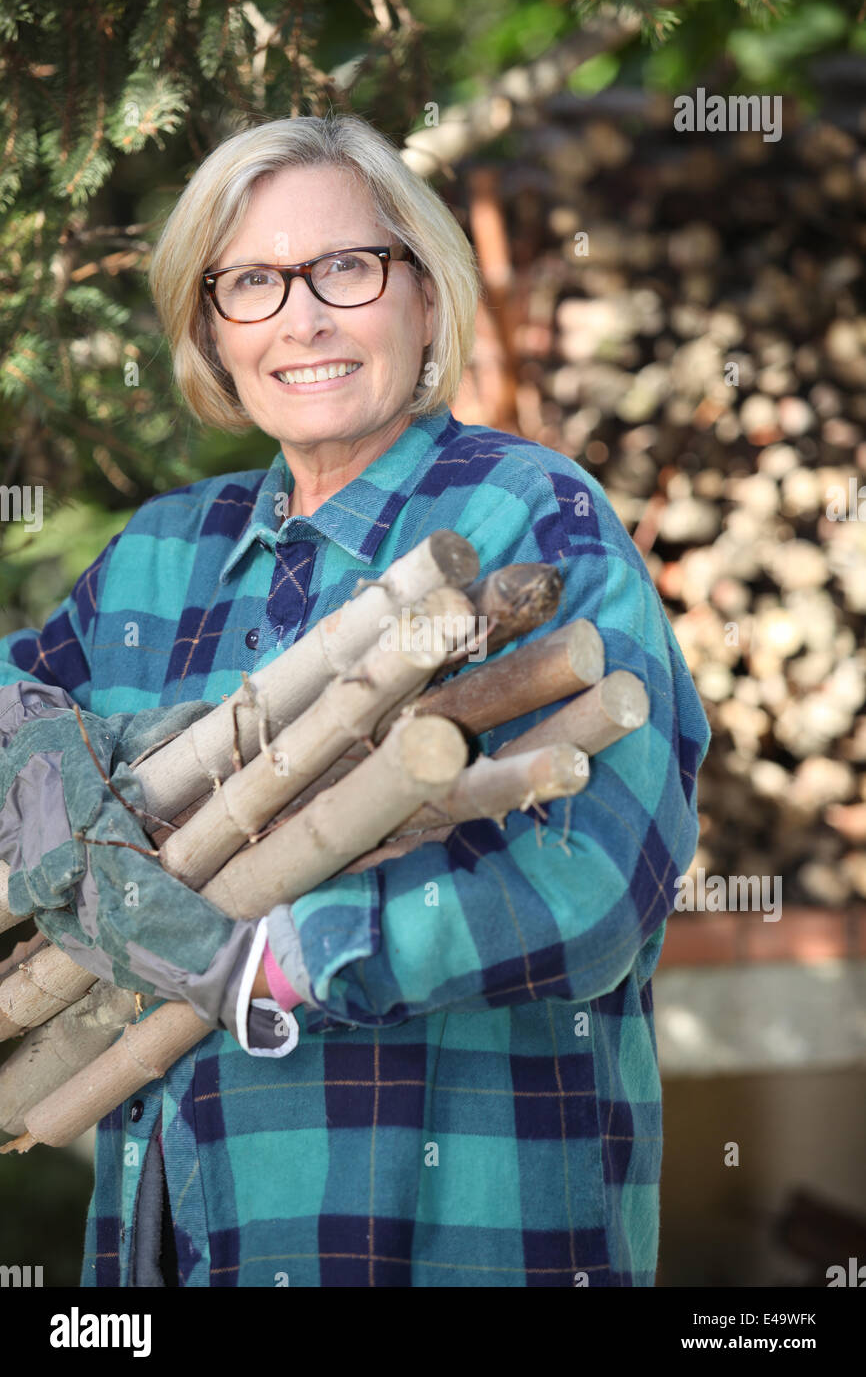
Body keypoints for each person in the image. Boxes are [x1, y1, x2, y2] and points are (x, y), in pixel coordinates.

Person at [0, 112, 710, 1287]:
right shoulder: (159, 556)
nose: (303, 316)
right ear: (209, 328)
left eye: (346, 266)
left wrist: (272, 959)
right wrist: (35, 767)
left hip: (454, 1251)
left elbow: (596, 879)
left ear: (424, 298)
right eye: (252, 283)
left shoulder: (523, 516)